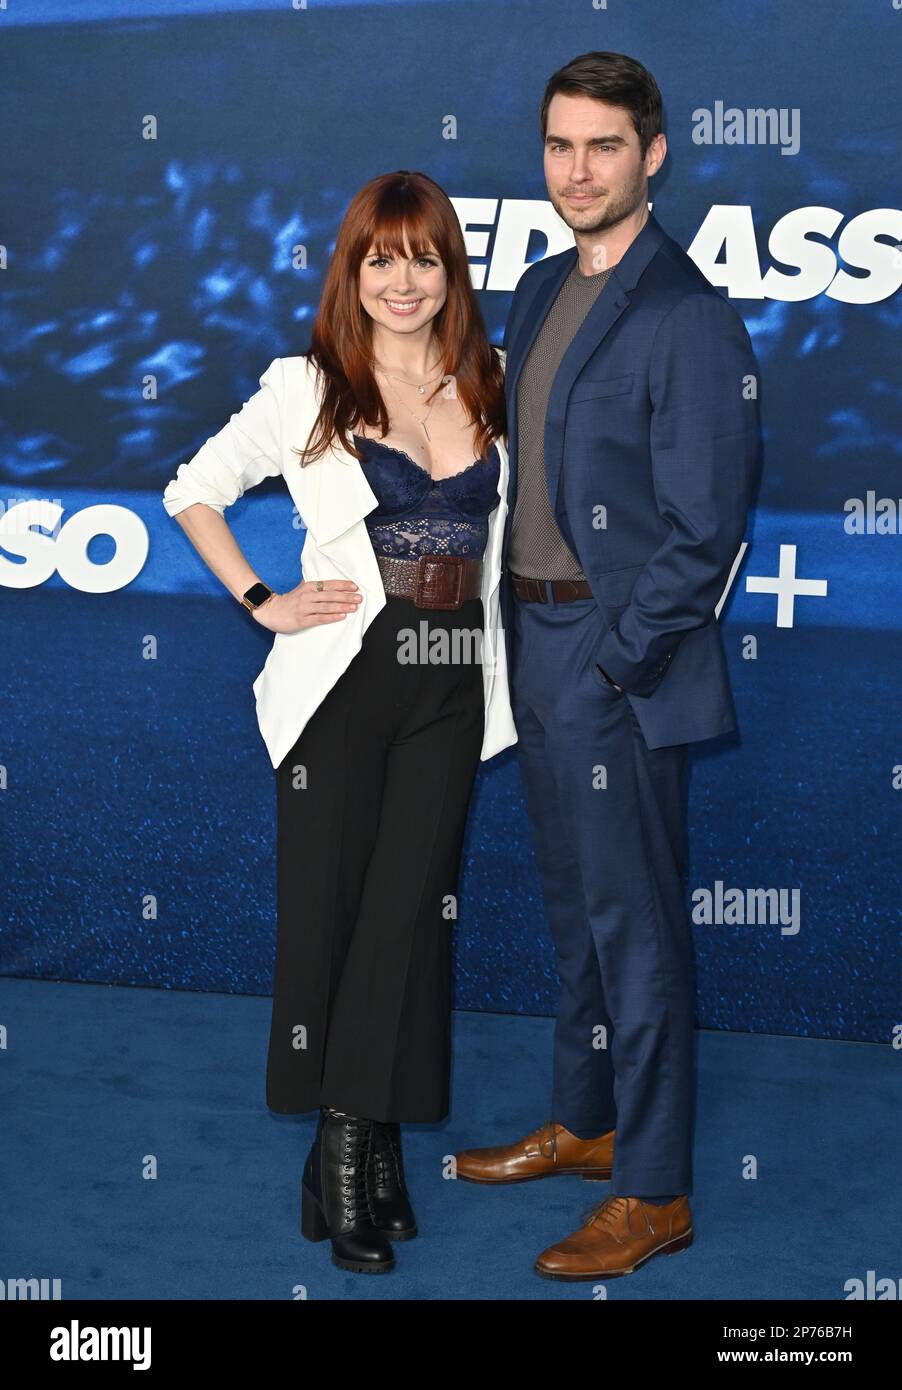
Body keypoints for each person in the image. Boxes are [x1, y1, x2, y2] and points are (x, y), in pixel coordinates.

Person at [162, 170, 517, 1274]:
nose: (402, 280)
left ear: (449, 270)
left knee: (409, 920)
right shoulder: (303, 384)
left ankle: (358, 1153)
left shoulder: (488, 380)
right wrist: (261, 600)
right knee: (332, 917)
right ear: (350, 272)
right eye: (380, 258)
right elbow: (191, 488)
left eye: (423, 258)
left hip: (451, 680)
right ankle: (350, 1155)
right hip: (344, 682)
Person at [454, 51, 762, 1281]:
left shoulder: (685, 312)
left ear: (653, 154)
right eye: (557, 146)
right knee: (579, 918)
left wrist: (617, 663)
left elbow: (707, 526)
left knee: (635, 932)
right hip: (533, 638)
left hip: (611, 657)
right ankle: (587, 1124)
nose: (575, 170)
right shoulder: (534, 286)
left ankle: (655, 1192)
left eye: (602, 147)